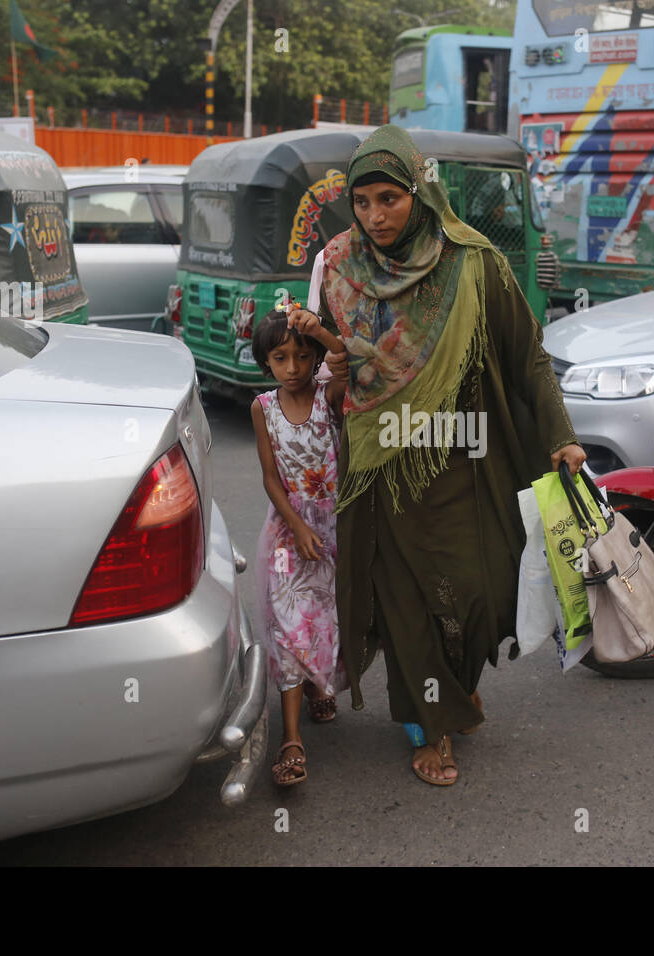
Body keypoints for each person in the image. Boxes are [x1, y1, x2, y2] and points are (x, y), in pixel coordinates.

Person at [288, 124, 583, 786]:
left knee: (478, 593)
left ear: (418, 191)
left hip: (462, 460)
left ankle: (454, 688)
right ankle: (432, 726)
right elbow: (323, 359)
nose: (375, 217)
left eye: (389, 199)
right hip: (379, 467)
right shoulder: (337, 264)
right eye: (362, 203)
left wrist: (560, 432)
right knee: (406, 605)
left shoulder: (473, 261)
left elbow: (526, 353)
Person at [249, 308, 348, 787]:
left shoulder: (329, 397)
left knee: (324, 618)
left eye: (302, 357)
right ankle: (291, 739)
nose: (293, 367)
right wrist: (296, 525)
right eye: (281, 357)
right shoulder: (262, 408)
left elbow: (345, 358)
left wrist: (320, 331)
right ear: (266, 362)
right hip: (289, 533)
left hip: (332, 528)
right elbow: (271, 478)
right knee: (291, 627)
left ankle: (317, 687)